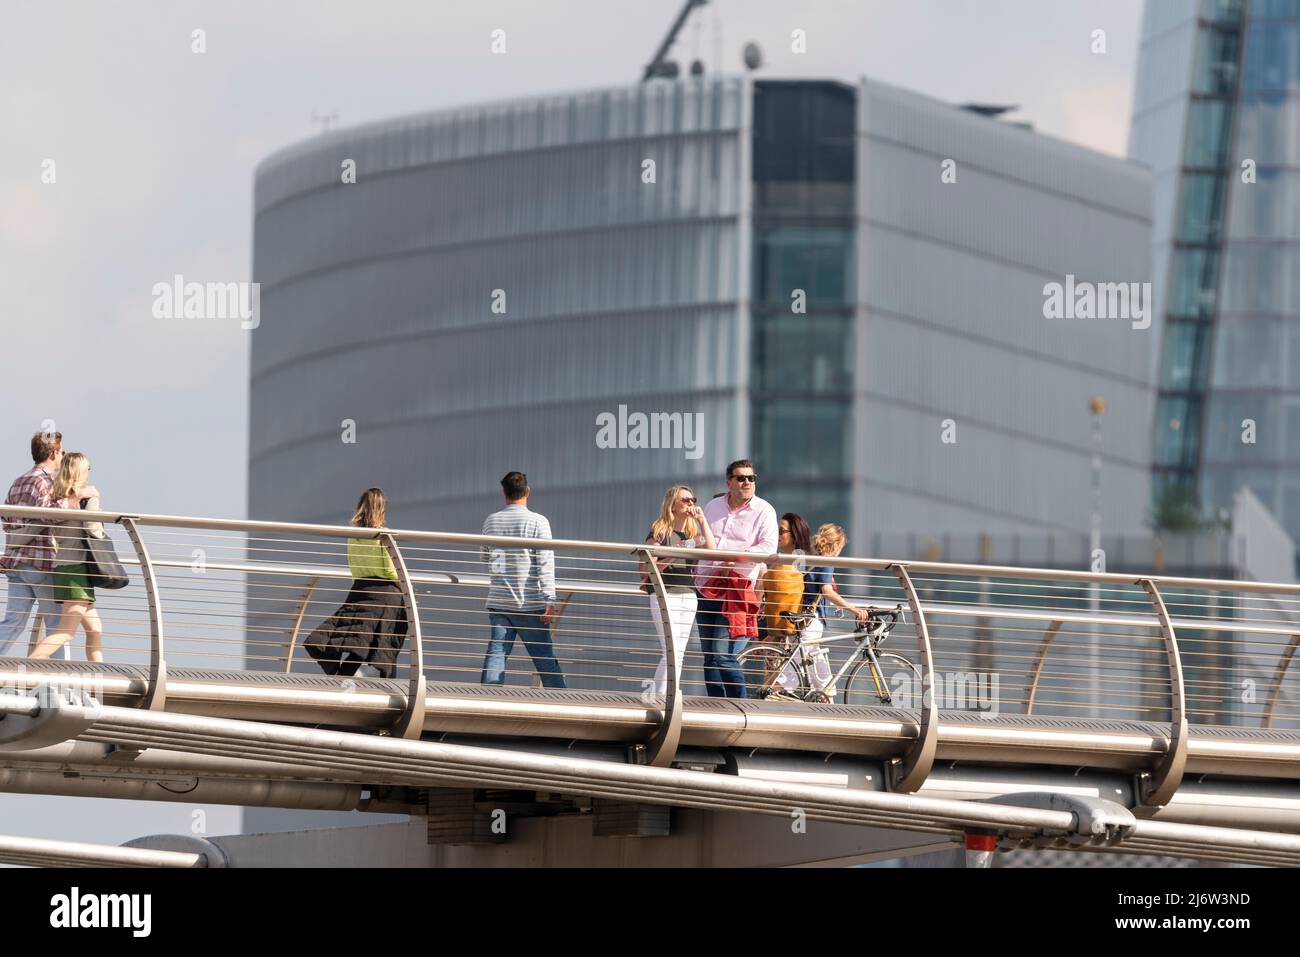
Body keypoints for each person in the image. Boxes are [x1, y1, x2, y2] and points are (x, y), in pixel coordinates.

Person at [303, 488, 409, 679]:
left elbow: (354, 565)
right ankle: (387, 686)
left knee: (359, 638)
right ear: (381, 508)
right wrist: (406, 589)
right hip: (386, 594)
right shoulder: (382, 535)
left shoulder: (354, 535)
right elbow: (390, 569)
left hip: (360, 589)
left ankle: (342, 676)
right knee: (383, 640)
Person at [694, 459, 778, 698]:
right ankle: (716, 707)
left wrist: (736, 559)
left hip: (736, 589)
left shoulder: (764, 510)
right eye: (741, 478)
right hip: (705, 586)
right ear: (729, 482)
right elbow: (703, 540)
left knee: (723, 654)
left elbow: (769, 548)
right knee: (709, 657)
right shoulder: (713, 506)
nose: (747, 482)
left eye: (751, 478)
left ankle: (739, 705)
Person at [479, 471, 566, 688]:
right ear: (527, 491)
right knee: (545, 659)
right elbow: (545, 562)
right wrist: (550, 599)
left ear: (504, 493)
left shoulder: (491, 521)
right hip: (532, 604)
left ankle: (485, 703)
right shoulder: (539, 522)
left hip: (500, 603)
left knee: (496, 655)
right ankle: (563, 703)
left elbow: (484, 555)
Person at [773, 522, 872, 702]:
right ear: (835, 545)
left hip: (797, 614)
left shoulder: (803, 555)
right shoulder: (826, 559)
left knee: (814, 660)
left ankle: (828, 700)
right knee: (795, 668)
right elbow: (826, 590)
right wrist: (853, 609)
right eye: (840, 547)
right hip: (811, 620)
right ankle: (773, 695)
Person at [30, 452, 107, 662]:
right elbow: (93, 529)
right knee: (66, 631)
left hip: (62, 567)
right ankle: (21, 670)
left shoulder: (57, 497)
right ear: (82, 471)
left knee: (95, 628)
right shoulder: (88, 496)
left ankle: (98, 683)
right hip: (77, 570)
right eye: (88, 469)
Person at [643, 484, 715, 695]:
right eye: (685, 500)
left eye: (693, 500)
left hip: (688, 595)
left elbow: (712, 550)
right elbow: (647, 569)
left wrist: (702, 520)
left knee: (679, 652)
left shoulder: (692, 534)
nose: (691, 503)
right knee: (671, 651)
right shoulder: (660, 531)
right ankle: (663, 697)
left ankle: (666, 695)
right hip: (665, 595)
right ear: (672, 505)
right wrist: (675, 552)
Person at [0, 432, 64, 657]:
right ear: (55, 452)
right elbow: (51, 515)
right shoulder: (44, 481)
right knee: (56, 624)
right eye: (62, 452)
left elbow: (6, 521)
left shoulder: (19, 481)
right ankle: (59, 682)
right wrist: (71, 500)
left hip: (16, 562)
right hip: (39, 562)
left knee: (14, 621)